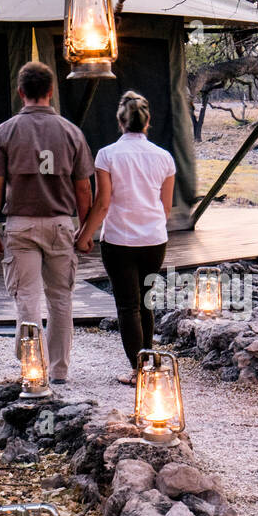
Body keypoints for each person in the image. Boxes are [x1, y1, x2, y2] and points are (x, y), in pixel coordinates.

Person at [0, 61, 94, 385]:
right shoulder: (72, 132)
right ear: (51, 91)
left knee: (27, 300)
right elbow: (84, 187)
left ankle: (35, 368)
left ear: (21, 93)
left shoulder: (5, 132)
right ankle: (59, 370)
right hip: (61, 224)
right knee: (61, 298)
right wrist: (85, 229)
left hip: (21, 225)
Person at [76, 91, 175, 384]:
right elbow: (166, 207)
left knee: (127, 306)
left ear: (120, 122)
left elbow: (103, 203)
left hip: (119, 240)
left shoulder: (107, 155)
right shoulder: (164, 157)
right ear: (147, 122)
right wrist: (150, 225)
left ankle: (138, 369)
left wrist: (84, 235)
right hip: (154, 240)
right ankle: (149, 363)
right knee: (146, 303)